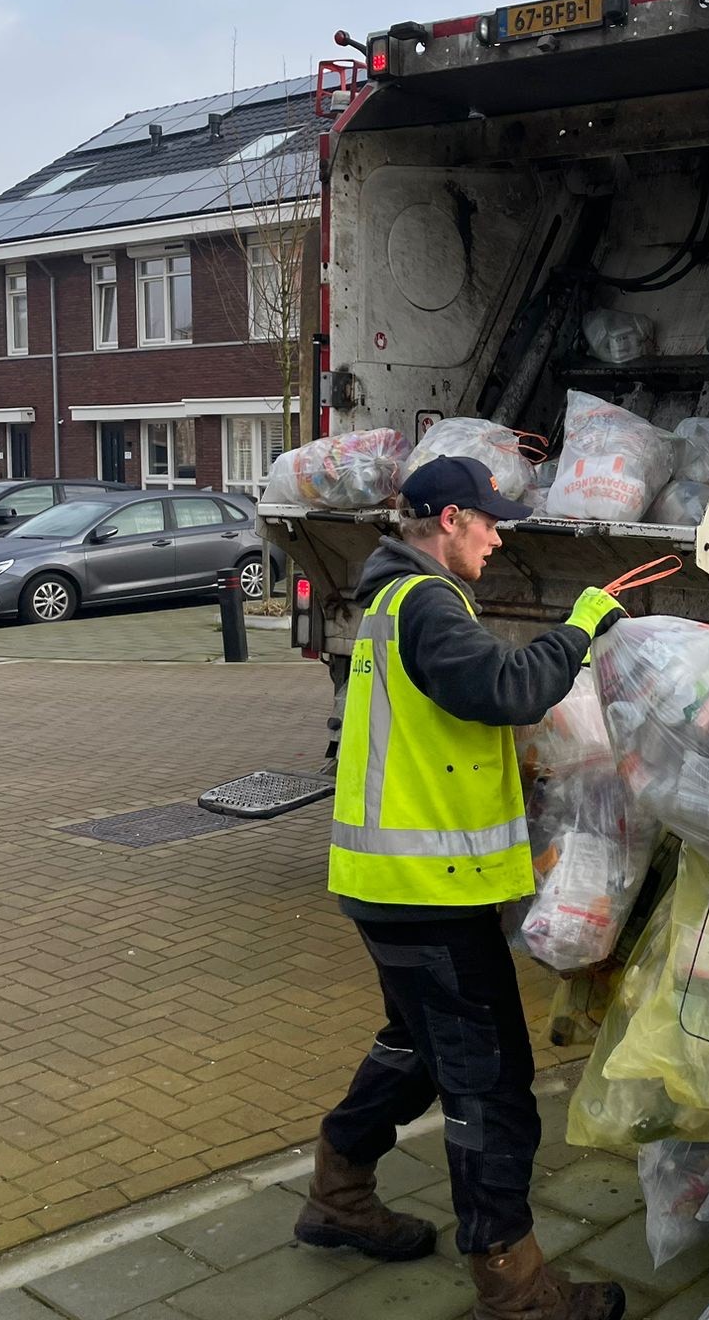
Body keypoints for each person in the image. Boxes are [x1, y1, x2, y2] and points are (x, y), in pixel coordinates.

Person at [294, 455, 627, 1320]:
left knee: (416, 1045)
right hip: (424, 892)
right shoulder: (427, 602)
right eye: (488, 519)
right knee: (488, 1081)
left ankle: (338, 1190)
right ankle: (513, 1286)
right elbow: (502, 688)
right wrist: (581, 623)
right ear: (448, 520)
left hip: (389, 884)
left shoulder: (390, 599)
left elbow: (446, 718)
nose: (498, 532)